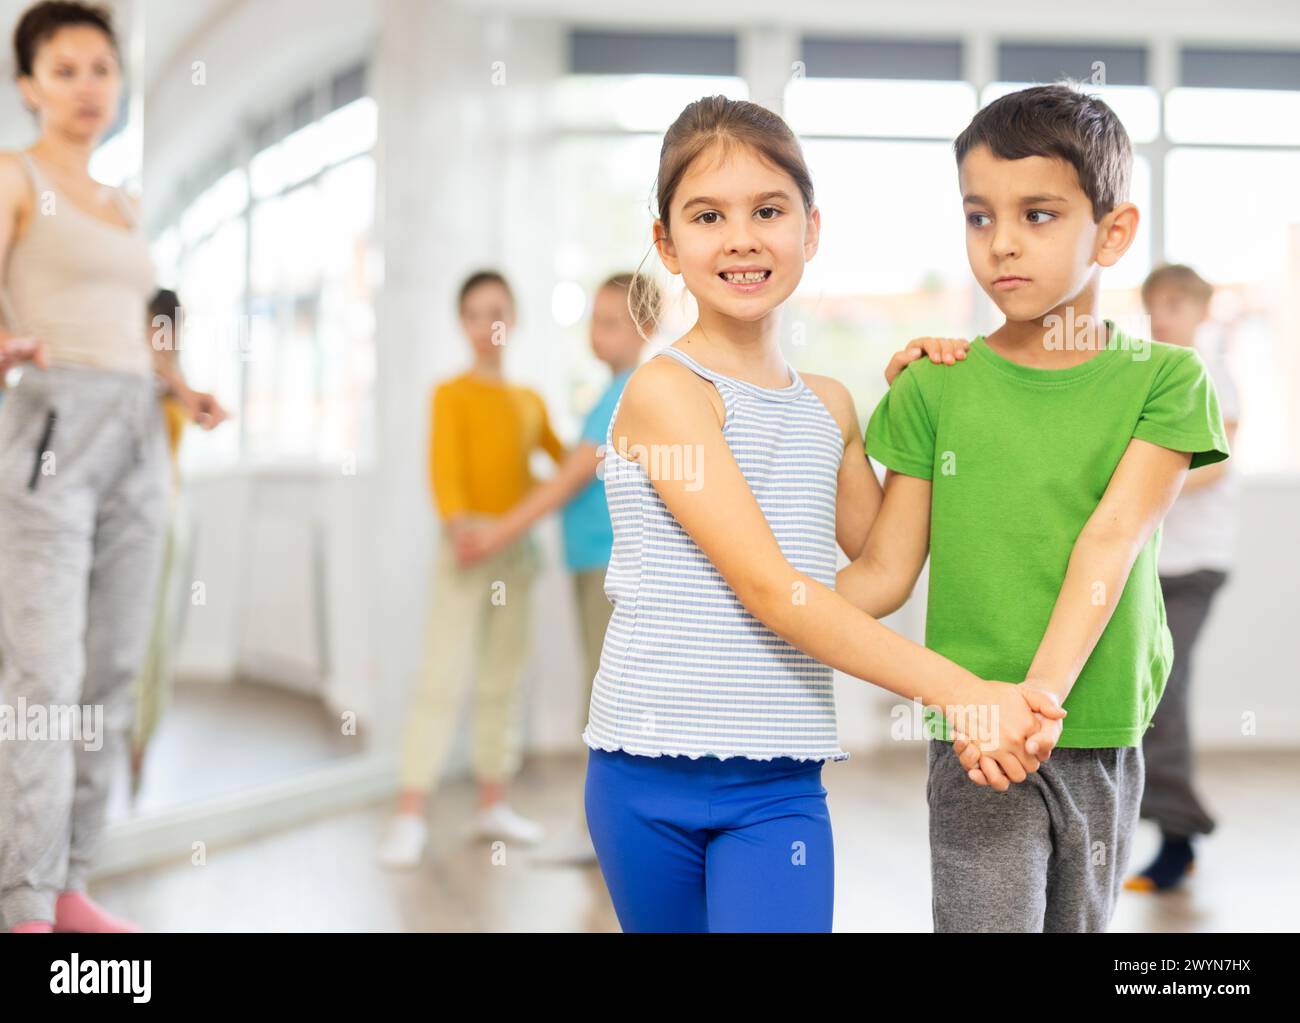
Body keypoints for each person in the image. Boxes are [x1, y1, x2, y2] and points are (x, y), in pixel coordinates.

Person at [580, 95, 1063, 933]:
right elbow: (773, 590)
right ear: (667, 242)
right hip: (643, 774)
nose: (741, 238)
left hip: (780, 785)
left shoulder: (830, 407)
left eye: (769, 211)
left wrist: (924, 406)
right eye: (707, 216)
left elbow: (874, 577)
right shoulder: (665, 391)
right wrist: (961, 694)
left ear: (810, 228)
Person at [840, 84, 1229, 932]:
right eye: (979, 217)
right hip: (976, 736)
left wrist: (1035, 706)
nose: (1002, 244)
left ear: (1113, 232)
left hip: (1084, 723)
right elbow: (881, 567)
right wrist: (847, 428)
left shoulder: (1168, 381)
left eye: (1039, 214)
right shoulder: (936, 383)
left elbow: (1113, 538)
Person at [0, 1, 226, 933]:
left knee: (112, 669)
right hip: (54, 428)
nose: (88, 85)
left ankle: (71, 882)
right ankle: (23, 903)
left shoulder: (125, 206)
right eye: (65, 69)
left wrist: (179, 386)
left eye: (101, 67)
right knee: (42, 680)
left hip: (139, 433)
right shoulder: (15, 177)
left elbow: (145, 324)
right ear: (28, 88)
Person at [455, 272, 661, 865]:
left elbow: (569, 479)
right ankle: (602, 829)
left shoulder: (628, 389)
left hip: (607, 566)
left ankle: (596, 832)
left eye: (610, 322)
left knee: (603, 699)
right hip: (591, 565)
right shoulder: (610, 390)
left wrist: (496, 531)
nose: (596, 333)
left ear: (644, 327)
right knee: (601, 691)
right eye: (593, 320)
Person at [377, 270, 565, 868]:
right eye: (477, 313)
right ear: (463, 324)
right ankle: (409, 815)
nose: (490, 325)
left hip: (515, 554)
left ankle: (493, 804)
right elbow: (445, 470)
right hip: (464, 549)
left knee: (501, 680)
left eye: (500, 312)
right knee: (441, 676)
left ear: (516, 321)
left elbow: (568, 467)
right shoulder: (449, 393)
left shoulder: (530, 401)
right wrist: (463, 530)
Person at [1124, 264, 1240, 892]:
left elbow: (1216, 465)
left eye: (1174, 304)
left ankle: (1178, 837)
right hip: (1146, 563)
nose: (1162, 315)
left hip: (1195, 567)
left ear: (1200, 309)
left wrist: (1137, 490)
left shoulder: (1212, 374)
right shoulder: (1150, 375)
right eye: (1153, 305)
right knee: (1133, 696)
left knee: (1164, 696)